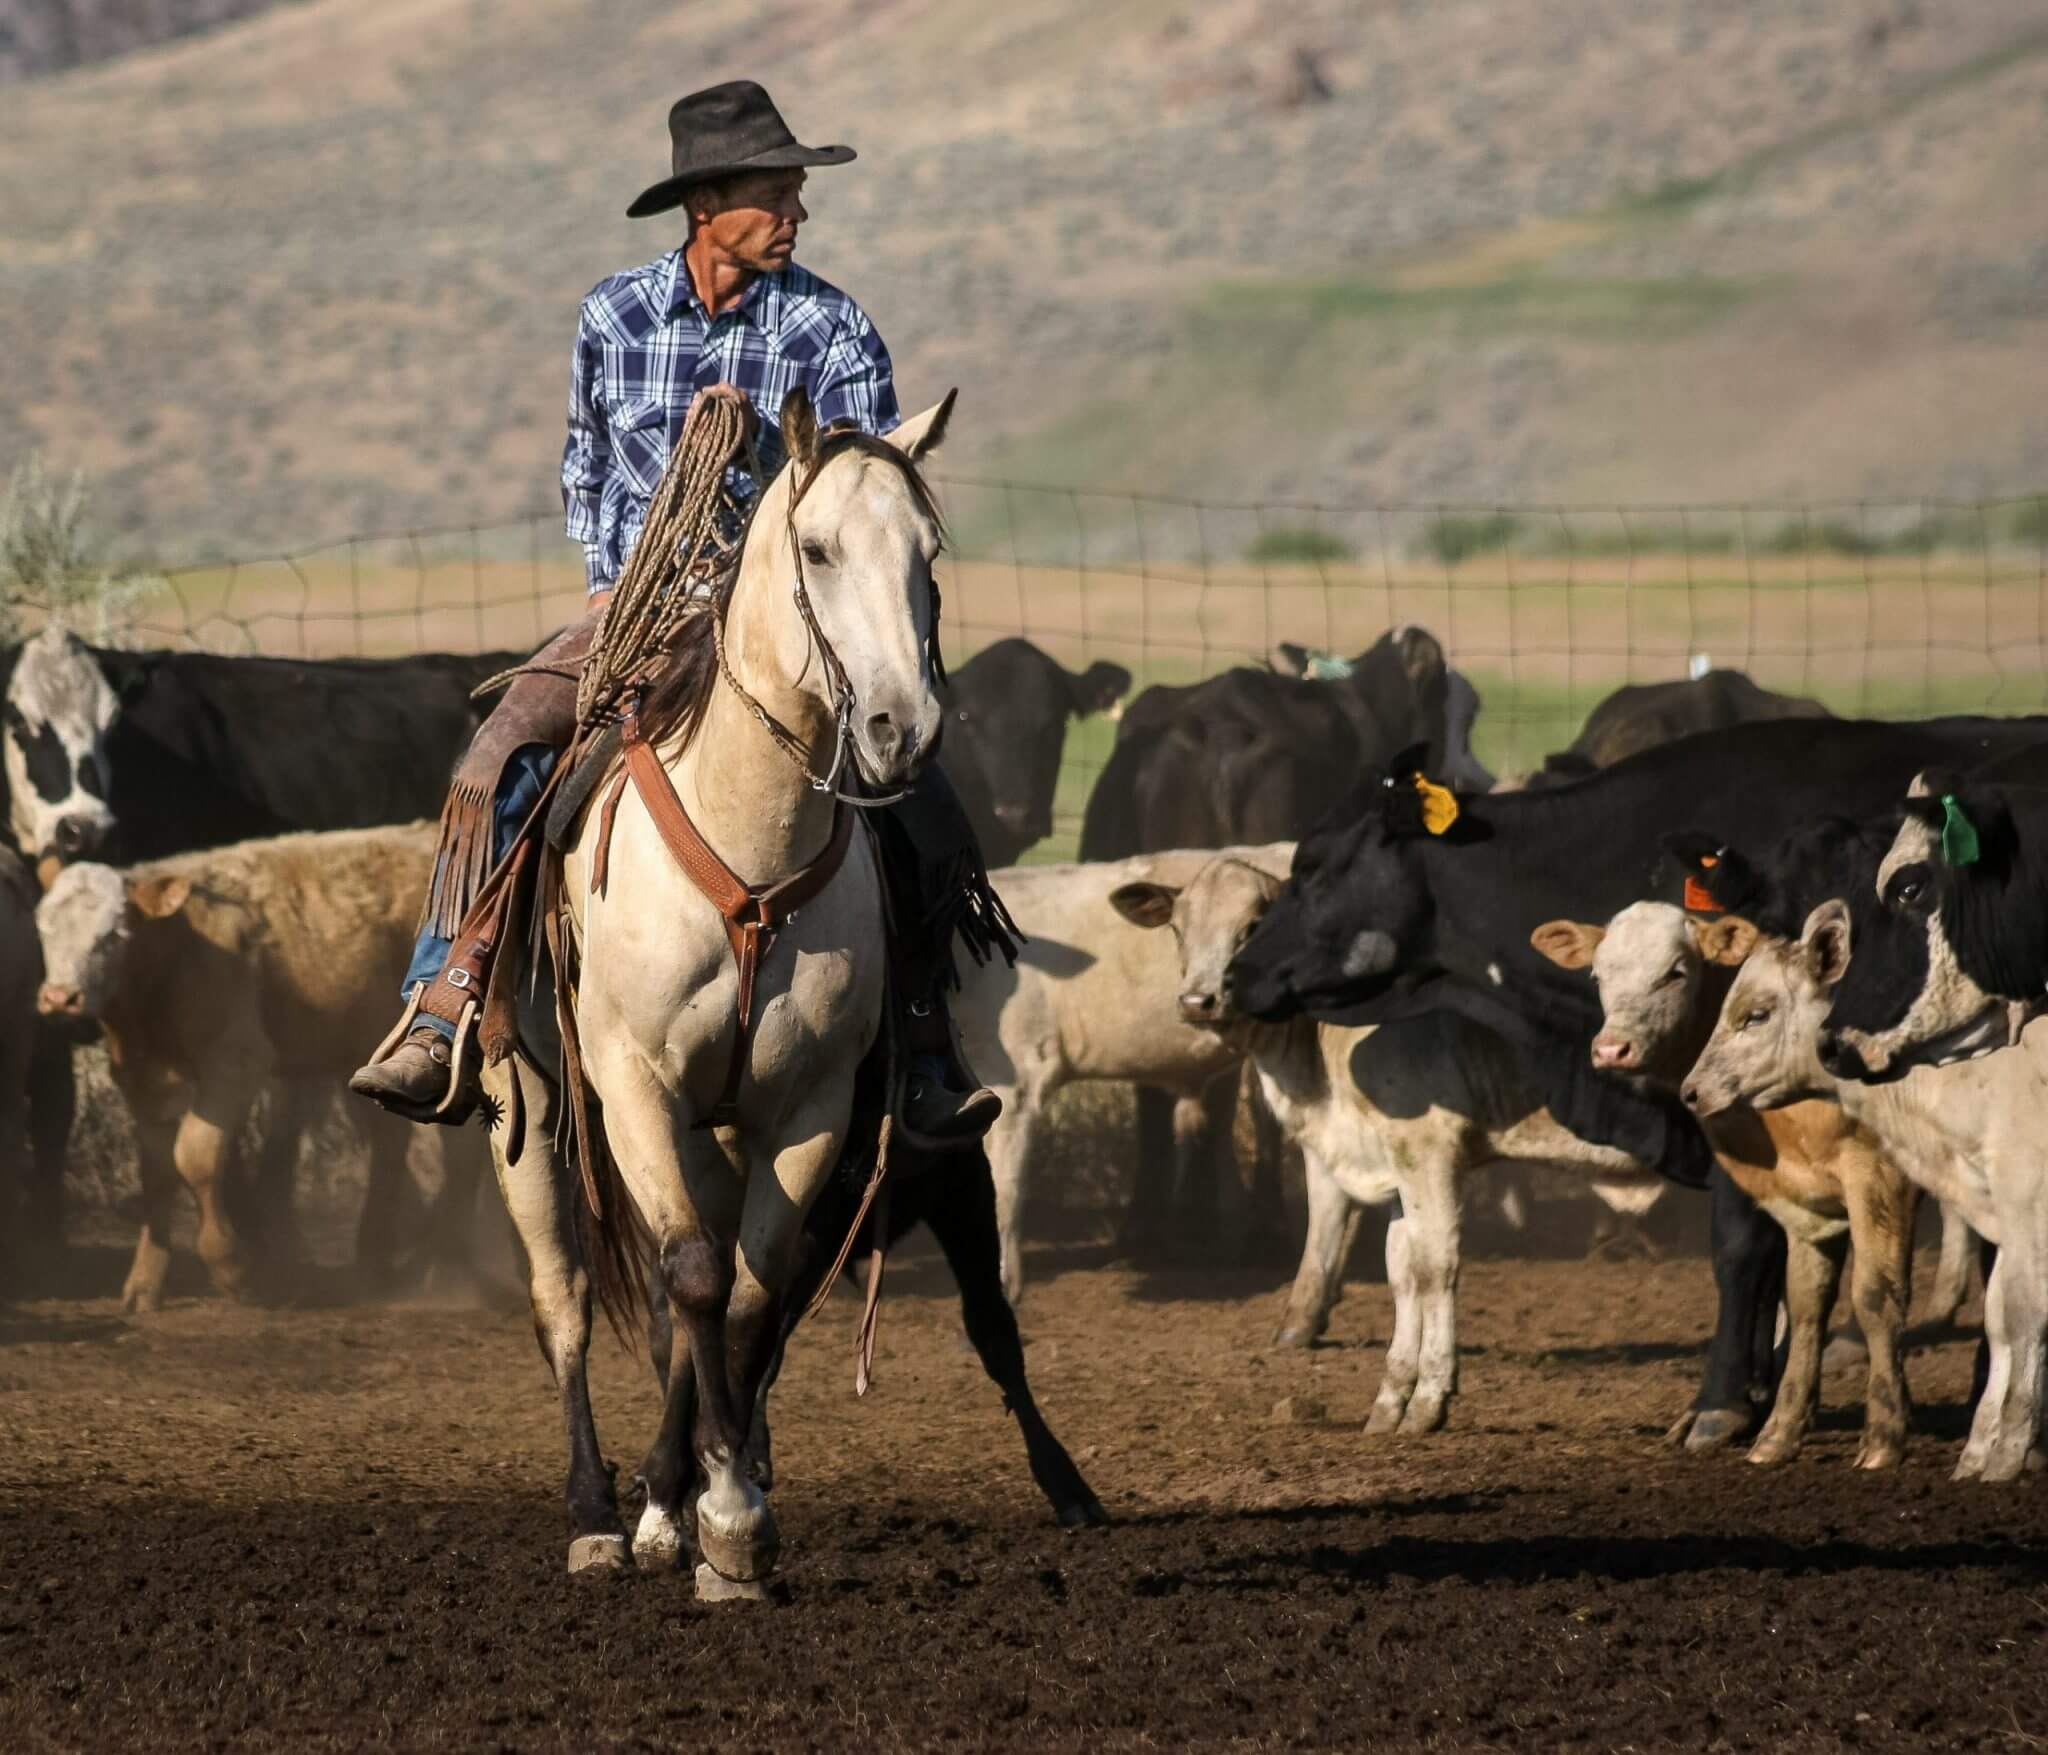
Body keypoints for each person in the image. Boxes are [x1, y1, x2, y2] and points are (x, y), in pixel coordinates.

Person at [350, 81, 1002, 1145]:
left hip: (787, 624)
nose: (797, 215)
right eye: (774, 195)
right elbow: (586, 464)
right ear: (706, 204)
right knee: (499, 752)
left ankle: (924, 1044)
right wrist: (615, 581)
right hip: (637, 606)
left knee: (918, 803)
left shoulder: (833, 329)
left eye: (797, 195)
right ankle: (447, 998)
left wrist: (751, 456)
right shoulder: (611, 315)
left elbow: (866, 491)